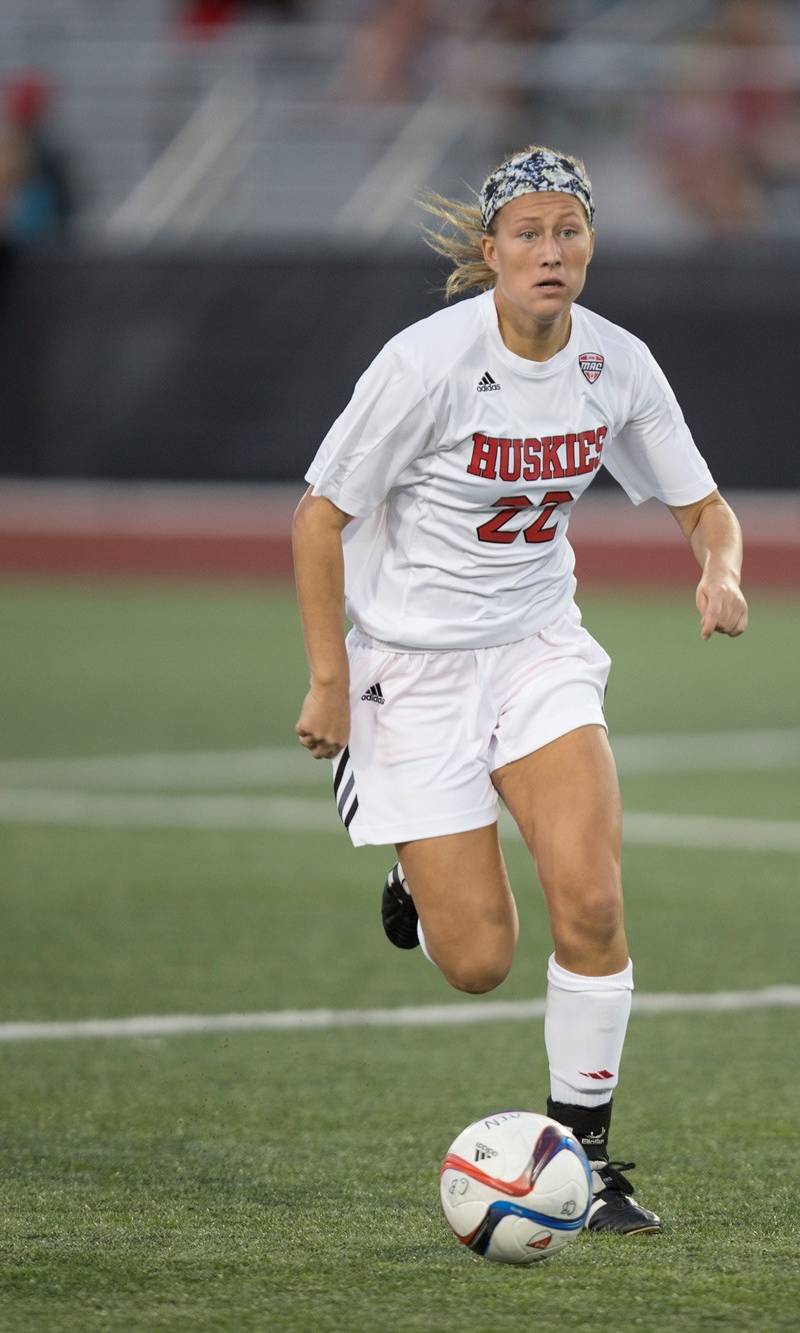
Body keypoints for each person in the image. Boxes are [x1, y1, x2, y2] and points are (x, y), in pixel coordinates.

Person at [290, 146, 747, 1236]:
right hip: (409, 666)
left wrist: (719, 569)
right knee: (477, 962)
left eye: (569, 231)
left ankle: (586, 1163)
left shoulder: (616, 363)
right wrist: (330, 682)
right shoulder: (425, 364)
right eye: (528, 234)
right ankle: (411, 853)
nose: (551, 251)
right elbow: (318, 517)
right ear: (489, 250)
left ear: (590, 243)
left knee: (589, 900)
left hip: (536, 645)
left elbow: (703, 506)